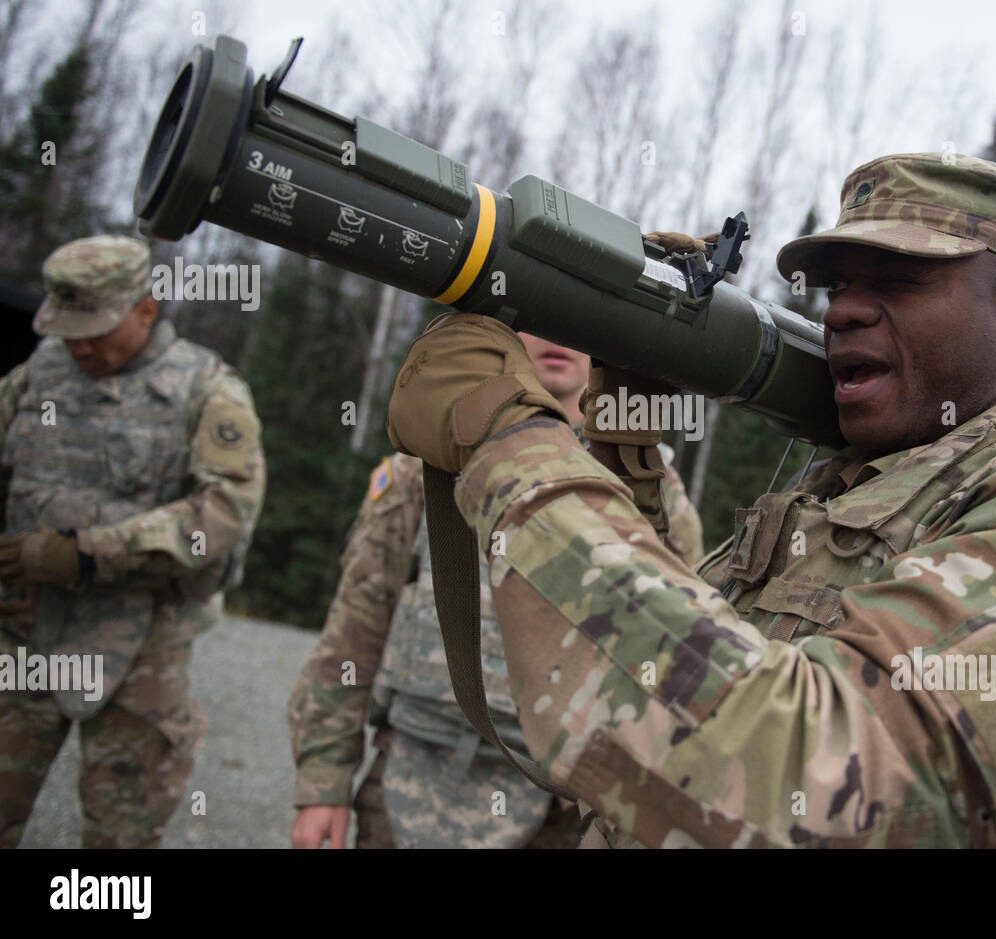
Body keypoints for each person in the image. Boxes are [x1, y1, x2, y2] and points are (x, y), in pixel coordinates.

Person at [385, 153, 996, 848]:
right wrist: (624, 445)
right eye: (835, 284)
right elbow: (676, 676)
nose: (844, 312)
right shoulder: (848, 488)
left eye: (898, 281)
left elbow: (814, 786)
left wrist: (510, 443)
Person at [288, 333, 703, 848]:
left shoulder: (650, 489)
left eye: (579, 324)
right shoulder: (428, 464)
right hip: (413, 777)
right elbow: (356, 625)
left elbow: (677, 657)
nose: (558, 336)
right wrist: (323, 783)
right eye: (539, 317)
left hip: (566, 809)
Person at [0, 235, 265, 848]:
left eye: (96, 327)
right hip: (24, 630)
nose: (81, 345)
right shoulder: (36, 375)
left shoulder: (207, 388)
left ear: (146, 308)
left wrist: (87, 551)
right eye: (69, 328)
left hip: (143, 642)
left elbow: (225, 514)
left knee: (123, 830)